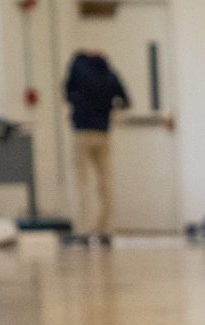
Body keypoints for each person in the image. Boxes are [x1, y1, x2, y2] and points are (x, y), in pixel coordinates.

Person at [63, 49, 129, 246]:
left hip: (81, 132)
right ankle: (106, 230)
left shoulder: (76, 68)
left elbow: (66, 93)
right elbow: (125, 100)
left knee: (80, 183)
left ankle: (82, 231)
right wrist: (106, 108)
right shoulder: (108, 73)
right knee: (106, 182)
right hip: (103, 132)